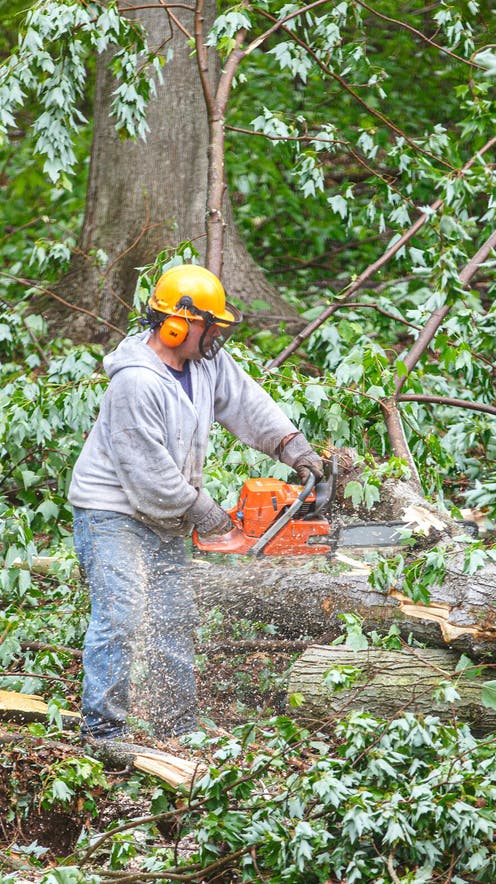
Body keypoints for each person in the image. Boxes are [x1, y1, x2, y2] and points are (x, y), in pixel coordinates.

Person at [69, 264, 323, 742]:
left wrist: (293, 446)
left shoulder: (205, 363)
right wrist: (203, 510)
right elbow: (148, 473)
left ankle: (177, 725)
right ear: (177, 324)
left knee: (172, 616)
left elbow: (246, 402)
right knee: (121, 615)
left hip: (164, 513)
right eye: (212, 326)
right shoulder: (136, 382)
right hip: (112, 513)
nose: (217, 337)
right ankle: (102, 731)